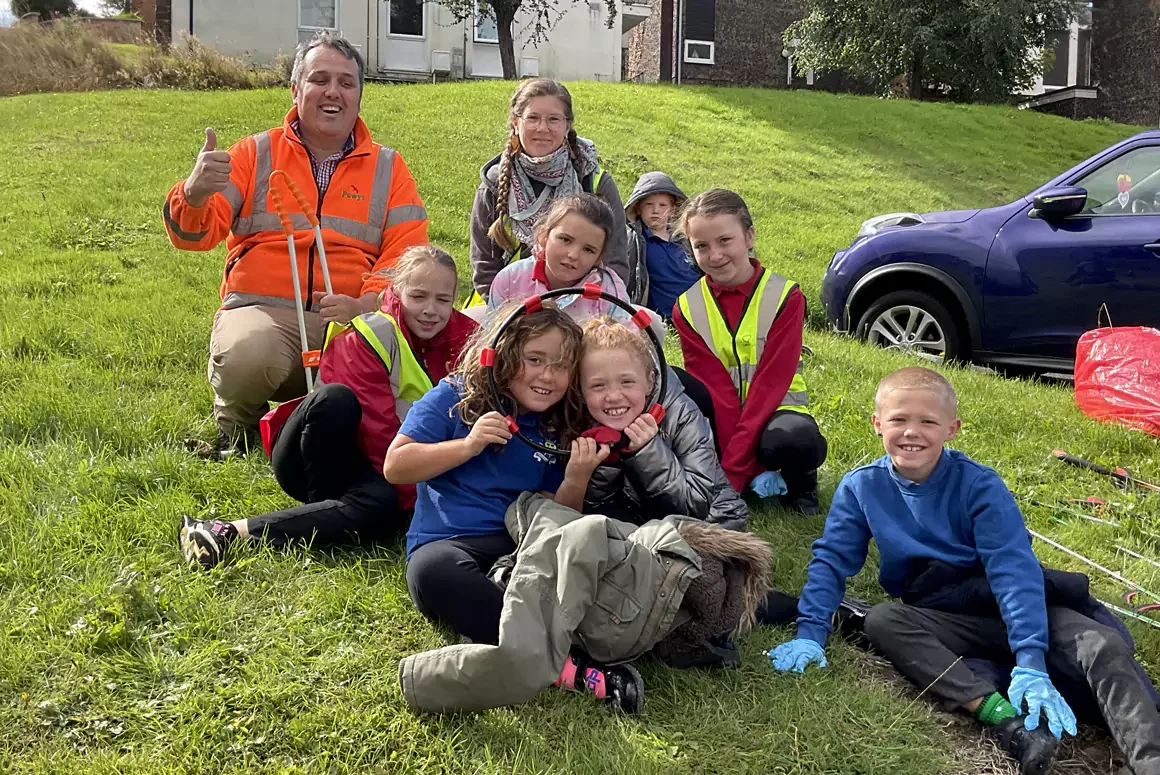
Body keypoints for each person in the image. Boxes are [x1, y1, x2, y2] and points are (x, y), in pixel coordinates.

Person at [768, 367, 1160, 775]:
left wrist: (1030, 657)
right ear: (877, 423)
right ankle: (1003, 720)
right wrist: (810, 634)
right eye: (899, 419)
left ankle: (1150, 759)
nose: (911, 432)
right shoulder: (861, 487)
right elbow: (832, 559)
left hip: (1007, 605)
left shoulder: (980, 486)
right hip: (945, 614)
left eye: (928, 422)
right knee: (883, 620)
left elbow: (1013, 571)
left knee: (1102, 643)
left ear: (952, 429)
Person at [163, 31, 428, 457]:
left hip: (347, 322)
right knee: (250, 354)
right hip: (264, 317)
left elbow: (407, 256)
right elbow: (194, 236)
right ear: (295, 89)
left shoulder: (388, 168)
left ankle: (341, 428)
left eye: (346, 82)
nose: (333, 92)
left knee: (381, 369)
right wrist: (192, 195)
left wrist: (364, 304)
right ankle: (239, 427)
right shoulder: (254, 153)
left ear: (360, 95)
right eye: (319, 79)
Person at [178, 246, 477, 569]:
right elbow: (378, 437)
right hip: (317, 451)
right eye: (419, 297)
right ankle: (332, 507)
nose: (431, 310)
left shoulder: (470, 340)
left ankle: (227, 532)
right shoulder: (371, 334)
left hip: (388, 467)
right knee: (336, 400)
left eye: (442, 300)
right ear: (397, 291)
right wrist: (427, 501)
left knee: (379, 506)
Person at [397, 491, 773, 715]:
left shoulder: (687, 588)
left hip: (568, 555)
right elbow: (584, 535)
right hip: (540, 547)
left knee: (532, 646)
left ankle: (564, 661)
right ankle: (561, 661)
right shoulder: (664, 565)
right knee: (444, 581)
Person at [383, 306, 608, 646]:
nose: (547, 376)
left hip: (519, 546)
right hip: (449, 545)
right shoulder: (455, 395)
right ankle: (551, 647)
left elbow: (556, 521)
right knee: (433, 572)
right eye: (534, 359)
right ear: (502, 354)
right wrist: (468, 446)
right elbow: (395, 466)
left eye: (561, 366)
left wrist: (576, 478)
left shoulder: (555, 424)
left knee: (580, 559)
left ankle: (512, 636)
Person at [673, 189, 827, 514]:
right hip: (722, 412)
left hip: (776, 407)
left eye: (725, 240)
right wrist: (739, 470)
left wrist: (732, 475)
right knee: (672, 386)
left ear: (749, 237)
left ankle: (801, 484)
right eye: (701, 246)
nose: (715, 255)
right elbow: (716, 391)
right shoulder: (686, 307)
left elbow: (771, 384)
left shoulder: (787, 296)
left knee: (794, 439)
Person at [468, 78, 629, 307]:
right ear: (515, 122)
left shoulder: (594, 182)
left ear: (568, 125)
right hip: (512, 308)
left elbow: (616, 262)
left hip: (586, 307)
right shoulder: (494, 185)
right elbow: (485, 269)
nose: (542, 128)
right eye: (532, 118)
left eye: (553, 119)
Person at [577, 317, 746, 531]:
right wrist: (605, 465)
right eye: (598, 386)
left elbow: (694, 507)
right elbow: (596, 511)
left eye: (627, 382)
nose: (613, 396)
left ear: (649, 381)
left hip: (712, 524)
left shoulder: (681, 414)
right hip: (642, 525)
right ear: (580, 390)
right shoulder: (584, 421)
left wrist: (649, 452)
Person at [486, 194, 630, 323]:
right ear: (543, 237)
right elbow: (491, 339)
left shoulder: (609, 293)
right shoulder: (511, 279)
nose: (573, 255)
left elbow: (626, 346)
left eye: (588, 250)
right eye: (565, 240)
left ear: (599, 258)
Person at [623, 172, 700, 318]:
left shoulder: (685, 240)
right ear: (638, 209)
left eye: (662, 205)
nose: (656, 210)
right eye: (649, 205)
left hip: (698, 310)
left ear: (673, 210)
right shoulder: (635, 242)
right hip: (664, 315)